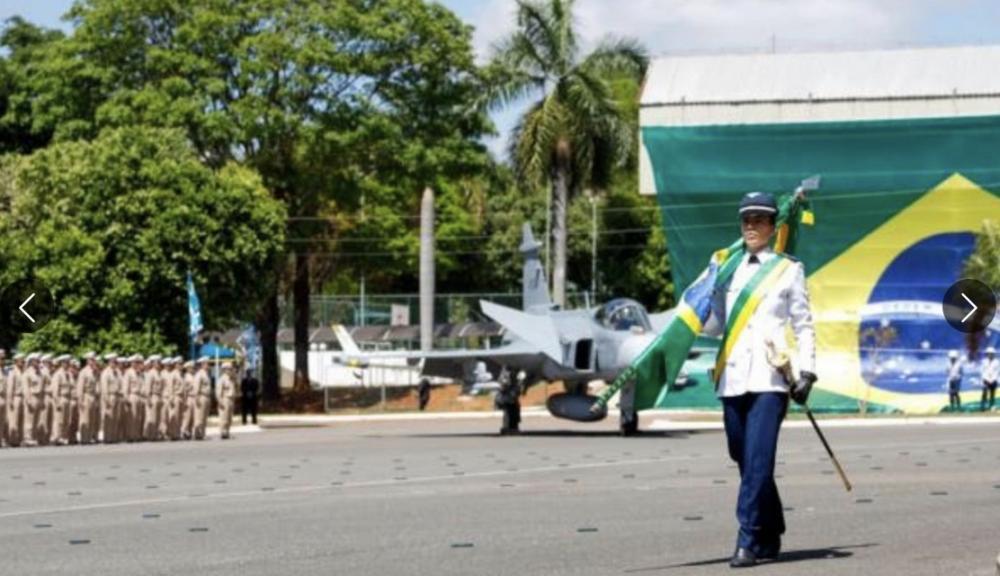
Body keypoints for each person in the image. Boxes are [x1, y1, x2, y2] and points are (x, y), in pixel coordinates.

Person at [704, 191, 816, 568]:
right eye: (746, 219)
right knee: (741, 454)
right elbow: (715, 323)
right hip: (732, 377)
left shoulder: (788, 269)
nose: (751, 226)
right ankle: (772, 527)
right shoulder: (724, 265)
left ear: (772, 226)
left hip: (771, 379)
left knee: (758, 461)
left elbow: (803, 325)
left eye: (760, 219)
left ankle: (748, 538)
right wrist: (696, 307)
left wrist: (807, 372)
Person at [77, 353, 101, 444]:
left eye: (94, 360)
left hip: (94, 396)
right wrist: (80, 400)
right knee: (85, 418)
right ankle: (85, 438)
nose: (93, 361)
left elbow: (98, 384)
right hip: (86, 396)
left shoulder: (96, 371)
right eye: (91, 360)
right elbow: (80, 387)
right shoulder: (84, 372)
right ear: (88, 361)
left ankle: (92, 436)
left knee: (94, 419)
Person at [7, 353, 25, 447]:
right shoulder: (13, 372)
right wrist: (10, 400)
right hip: (16, 397)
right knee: (14, 420)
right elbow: (10, 388)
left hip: (23, 397)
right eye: (21, 360)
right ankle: (13, 440)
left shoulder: (24, 372)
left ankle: (20, 439)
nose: (22, 362)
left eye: (23, 360)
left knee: (22, 420)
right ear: (16, 361)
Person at [192, 357, 211, 440]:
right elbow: (196, 387)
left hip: (206, 397)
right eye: (207, 363)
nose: (208, 365)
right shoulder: (199, 374)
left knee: (204, 417)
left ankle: (202, 433)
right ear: (202, 364)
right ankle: (197, 433)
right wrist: (196, 398)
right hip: (201, 397)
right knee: (199, 416)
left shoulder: (206, 374)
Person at [217, 362, 236, 439]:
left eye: (231, 369)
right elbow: (218, 391)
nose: (230, 370)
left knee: (229, 417)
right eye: (229, 369)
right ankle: (223, 432)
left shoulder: (231, 379)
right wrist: (220, 401)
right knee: (224, 417)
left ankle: (227, 431)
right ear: (224, 370)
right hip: (225, 399)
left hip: (231, 399)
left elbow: (236, 387)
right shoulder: (222, 379)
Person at [981, 347, 998, 412]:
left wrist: (993, 379)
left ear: (993, 354)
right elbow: (982, 371)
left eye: (991, 353)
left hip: (994, 380)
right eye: (989, 353)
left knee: (992, 394)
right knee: (984, 393)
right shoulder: (984, 361)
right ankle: (983, 406)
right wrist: (986, 379)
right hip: (986, 380)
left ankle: (991, 406)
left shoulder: (997, 362)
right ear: (987, 354)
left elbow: (997, 371)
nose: (990, 355)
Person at [0, 349, 7, 447]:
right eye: (1, 358)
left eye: (3, 358)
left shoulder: (4, 370)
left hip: (3, 398)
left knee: (2, 421)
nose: (2, 360)